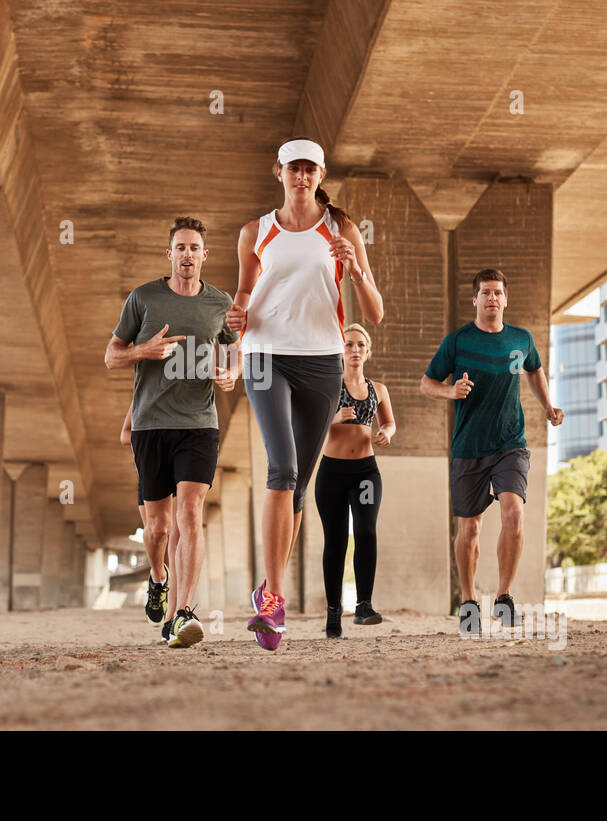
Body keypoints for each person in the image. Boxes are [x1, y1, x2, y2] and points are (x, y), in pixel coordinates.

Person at [226, 137, 384, 651]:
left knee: (296, 490)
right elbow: (246, 291)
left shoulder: (342, 229)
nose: (301, 177)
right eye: (292, 169)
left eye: (309, 170)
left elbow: (375, 312)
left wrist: (355, 268)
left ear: (320, 174)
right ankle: (273, 603)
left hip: (323, 361)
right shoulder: (257, 230)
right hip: (266, 355)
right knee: (283, 470)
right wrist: (236, 313)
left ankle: (267, 593)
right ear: (278, 172)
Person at [106, 216, 239, 648]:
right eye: (179, 247)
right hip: (151, 424)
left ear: (204, 255)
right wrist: (145, 350)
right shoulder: (143, 298)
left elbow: (236, 348)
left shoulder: (220, 302)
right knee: (159, 529)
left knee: (190, 515)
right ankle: (158, 577)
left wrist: (231, 374)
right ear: (170, 254)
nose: (186, 254)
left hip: (199, 424)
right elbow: (112, 356)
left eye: (193, 247)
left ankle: (182, 614)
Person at [419, 269, 563, 635]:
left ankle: (504, 596)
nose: (492, 298)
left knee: (514, 513)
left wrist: (547, 406)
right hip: (468, 448)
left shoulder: (522, 339)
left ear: (505, 299)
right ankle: (468, 601)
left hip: (509, 444)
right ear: (475, 300)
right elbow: (427, 383)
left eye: (498, 292)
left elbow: (534, 371)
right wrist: (451, 392)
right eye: (485, 293)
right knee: (469, 530)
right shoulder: (457, 342)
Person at [316, 323, 395, 638]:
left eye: (361, 345)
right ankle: (333, 612)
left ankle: (364, 606)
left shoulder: (379, 388)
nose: (355, 350)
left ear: (368, 351)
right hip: (332, 473)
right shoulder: (327, 386)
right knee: (335, 542)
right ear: (340, 350)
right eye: (349, 344)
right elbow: (308, 426)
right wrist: (332, 419)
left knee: (365, 530)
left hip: (365, 473)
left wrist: (385, 433)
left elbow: (389, 422)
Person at [121, 406, 180, 641]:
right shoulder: (144, 393)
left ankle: (173, 618)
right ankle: (158, 579)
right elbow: (125, 434)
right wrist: (150, 438)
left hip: (184, 474)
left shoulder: (190, 388)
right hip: (151, 473)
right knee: (158, 535)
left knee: (178, 543)